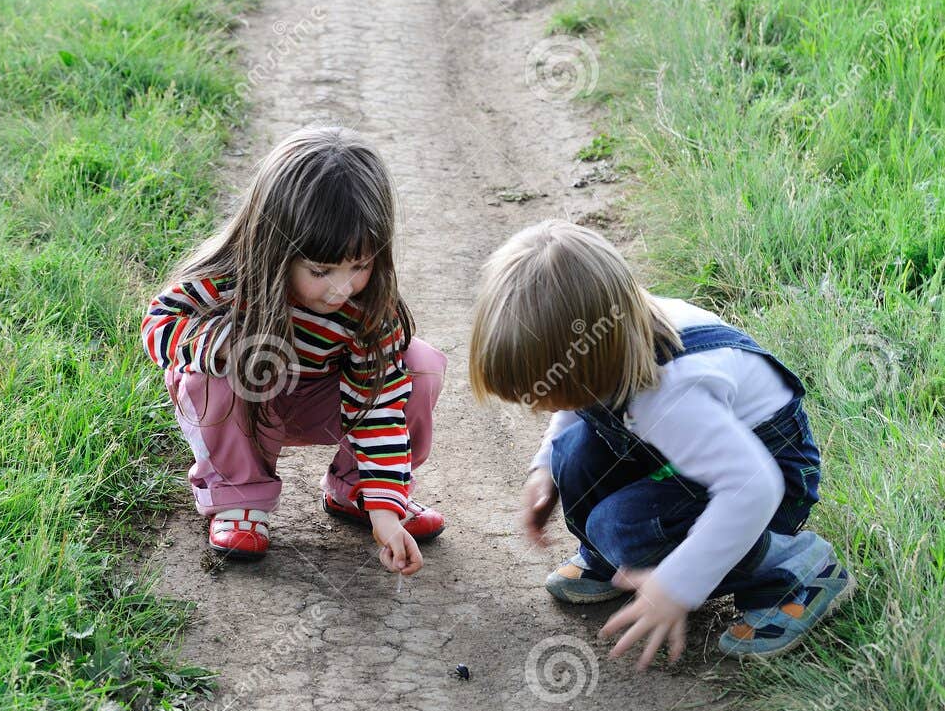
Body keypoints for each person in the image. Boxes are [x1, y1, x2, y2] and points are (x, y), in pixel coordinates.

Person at [468, 220, 854, 666]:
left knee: (621, 527)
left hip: (769, 480)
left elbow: (753, 487)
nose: (535, 405)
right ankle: (616, 564)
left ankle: (795, 570)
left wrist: (678, 585)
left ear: (585, 367)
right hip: (705, 457)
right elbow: (578, 401)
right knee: (568, 456)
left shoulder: (672, 393)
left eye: (543, 391)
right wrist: (543, 468)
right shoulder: (610, 344)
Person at [142, 126, 446, 574]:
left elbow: (378, 406)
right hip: (246, 401)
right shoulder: (229, 279)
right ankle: (239, 501)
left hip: (325, 400)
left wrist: (386, 509)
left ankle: (357, 491)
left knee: (418, 366)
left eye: (360, 265)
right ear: (274, 245)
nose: (341, 288)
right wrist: (226, 348)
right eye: (320, 270)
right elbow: (158, 325)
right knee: (209, 377)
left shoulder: (369, 308)